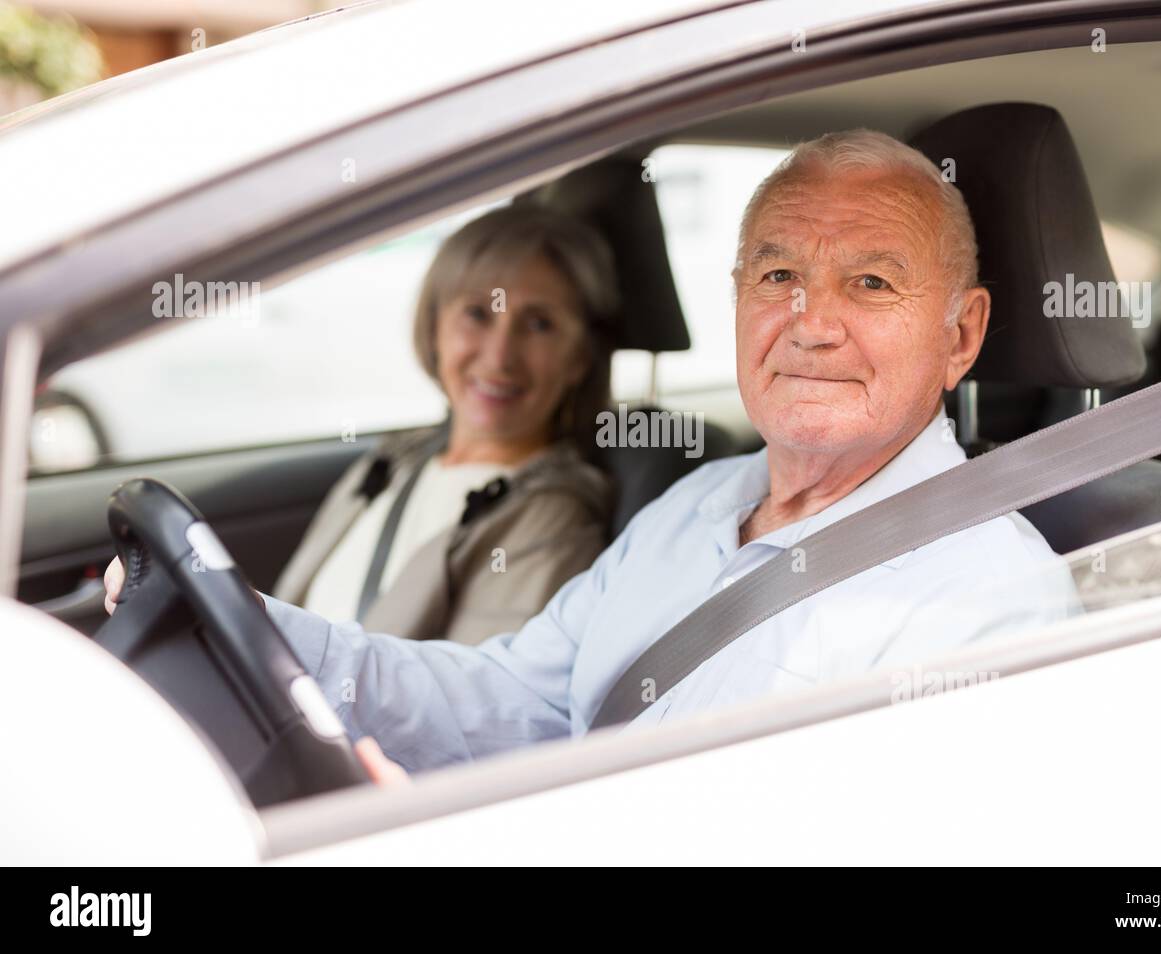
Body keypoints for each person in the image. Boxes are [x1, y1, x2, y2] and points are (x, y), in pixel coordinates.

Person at [107, 129, 1074, 777]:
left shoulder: (991, 602)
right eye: (778, 273)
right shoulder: (695, 506)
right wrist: (266, 633)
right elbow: (514, 701)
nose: (809, 321)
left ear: (961, 335)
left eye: (869, 282)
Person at [272, 205, 620, 645]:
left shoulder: (551, 519)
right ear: (435, 327)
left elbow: (474, 703)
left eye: (539, 324)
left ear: (579, 359)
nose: (499, 358)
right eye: (477, 314)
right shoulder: (388, 465)